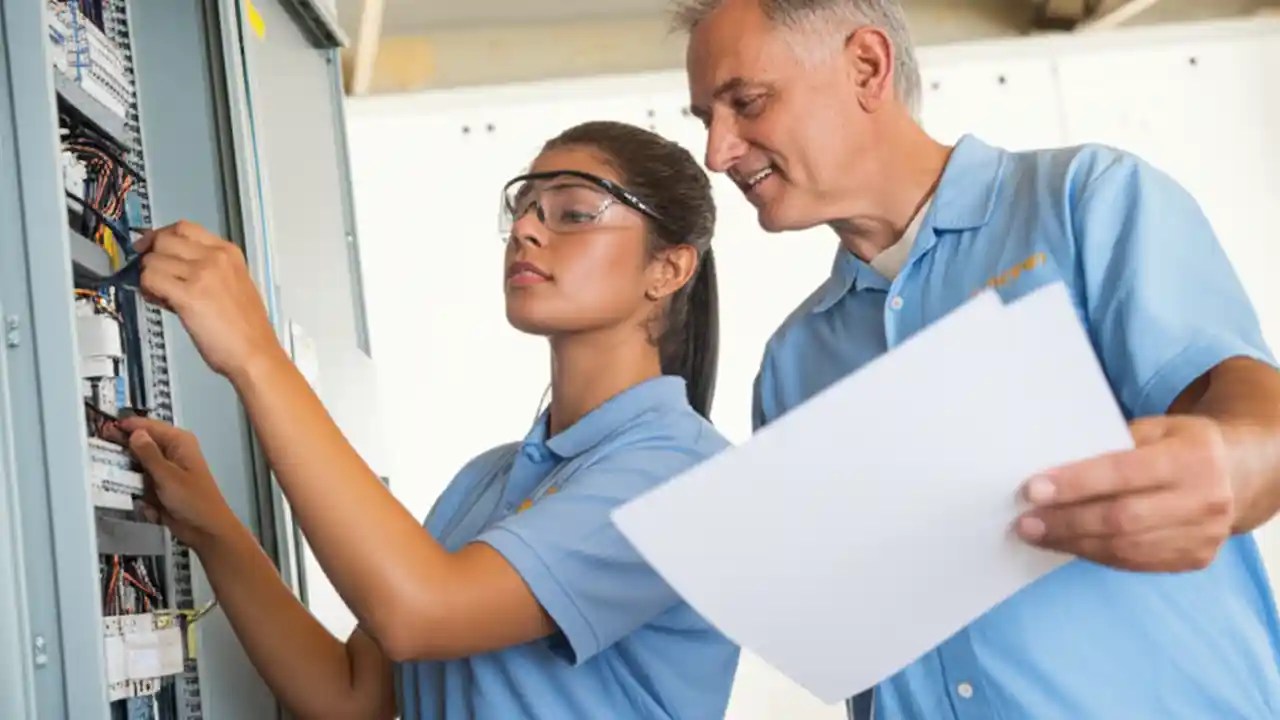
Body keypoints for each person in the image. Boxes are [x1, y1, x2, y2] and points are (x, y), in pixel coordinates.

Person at [674, 0, 1280, 718]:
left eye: (746, 104)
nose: (718, 152)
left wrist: (1232, 463)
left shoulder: (1085, 201)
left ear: (867, 66)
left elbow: (1253, 416)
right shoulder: (793, 361)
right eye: (705, 120)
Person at [111, 120, 740, 720]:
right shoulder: (490, 480)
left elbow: (419, 613)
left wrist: (255, 353)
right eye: (523, 207)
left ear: (669, 268)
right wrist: (214, 528)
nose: (525, 230)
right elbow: (350, 696)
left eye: (573, 212)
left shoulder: (681, 478)